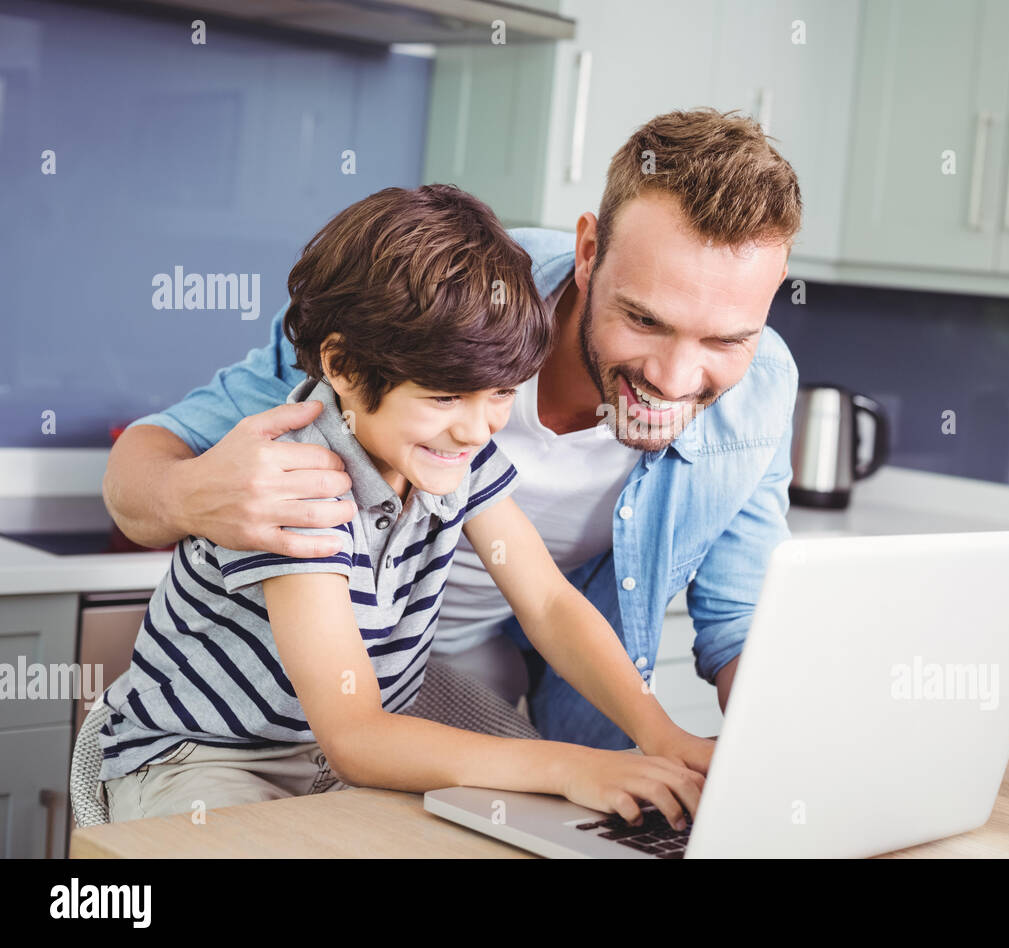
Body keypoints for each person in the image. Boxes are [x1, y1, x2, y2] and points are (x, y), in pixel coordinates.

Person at [102, 107, 802, 749]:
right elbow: (142, 469)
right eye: (645, 320)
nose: (677, 379)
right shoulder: (439, 298)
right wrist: (193, 494)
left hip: (454, 682)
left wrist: (775, 776)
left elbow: (736, 623)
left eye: (726, 341)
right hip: (279, 700)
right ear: (589, 254)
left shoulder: (759, 394)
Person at [98, 184, 712, 825]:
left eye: (501, 392)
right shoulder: (299, 478)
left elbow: (549, 603)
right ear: (343, 366)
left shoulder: (452, 455)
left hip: (339, 762)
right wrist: (570, 765)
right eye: (444, 398)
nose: (477, 429)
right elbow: (357, 736)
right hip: (210, 759)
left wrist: (660, 734)